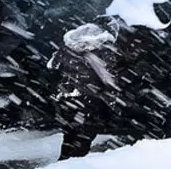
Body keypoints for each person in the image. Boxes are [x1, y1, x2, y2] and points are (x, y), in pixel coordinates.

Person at [47, 20, 122, 159]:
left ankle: (63, 162)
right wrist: (111, 103)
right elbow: (109, 78)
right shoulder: (104, 49)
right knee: (85, 136)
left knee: (70, 133)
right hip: (91, 99)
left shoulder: (69, 44)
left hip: (68, 97)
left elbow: (53, 65)